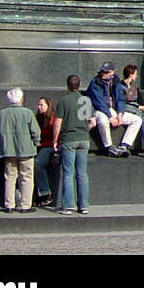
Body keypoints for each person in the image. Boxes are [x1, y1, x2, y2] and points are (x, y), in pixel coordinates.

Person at [52, 74, 94, 215]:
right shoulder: (85, 100)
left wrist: (54, 140)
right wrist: (82, 130)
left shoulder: (64, 100)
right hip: (84, 139)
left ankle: (68, 206)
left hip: (68, 139)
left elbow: (58, 122)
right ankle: (83, 206)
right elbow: (92, 122)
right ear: (79, 85)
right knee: (82, 174)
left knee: (68, 174)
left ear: (67, 85)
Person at [0, 88, 40, 213]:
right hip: (26, 150)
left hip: (8, 151)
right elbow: (35, 131)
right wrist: (36, 143)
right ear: (21, 99)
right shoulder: (28, 113)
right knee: (26, 178)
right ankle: (25, 205)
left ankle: (9, 205)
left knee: (10, 177)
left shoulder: (3, 114)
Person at [86, 62, 142, 156]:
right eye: (102, 71)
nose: (103, 73)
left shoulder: (116, 81)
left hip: (113, 109)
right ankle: (109, 147)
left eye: (106, 72)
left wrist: (120, 114)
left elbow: (120, 99)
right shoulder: (95, 82)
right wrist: (110, 117)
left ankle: (124, 145)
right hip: (98, 110)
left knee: (137, 120)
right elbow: (99, 103)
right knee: (103, 121)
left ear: (112, 72)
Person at [32, 97, 58, 208]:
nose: (39, 107)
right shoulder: (37, 118)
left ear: (48, 106)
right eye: (38, 105)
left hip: (49, 146)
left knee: (37, 164)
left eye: (41, 105)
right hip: (38, 146)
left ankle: (45, 193)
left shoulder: (53, 118)